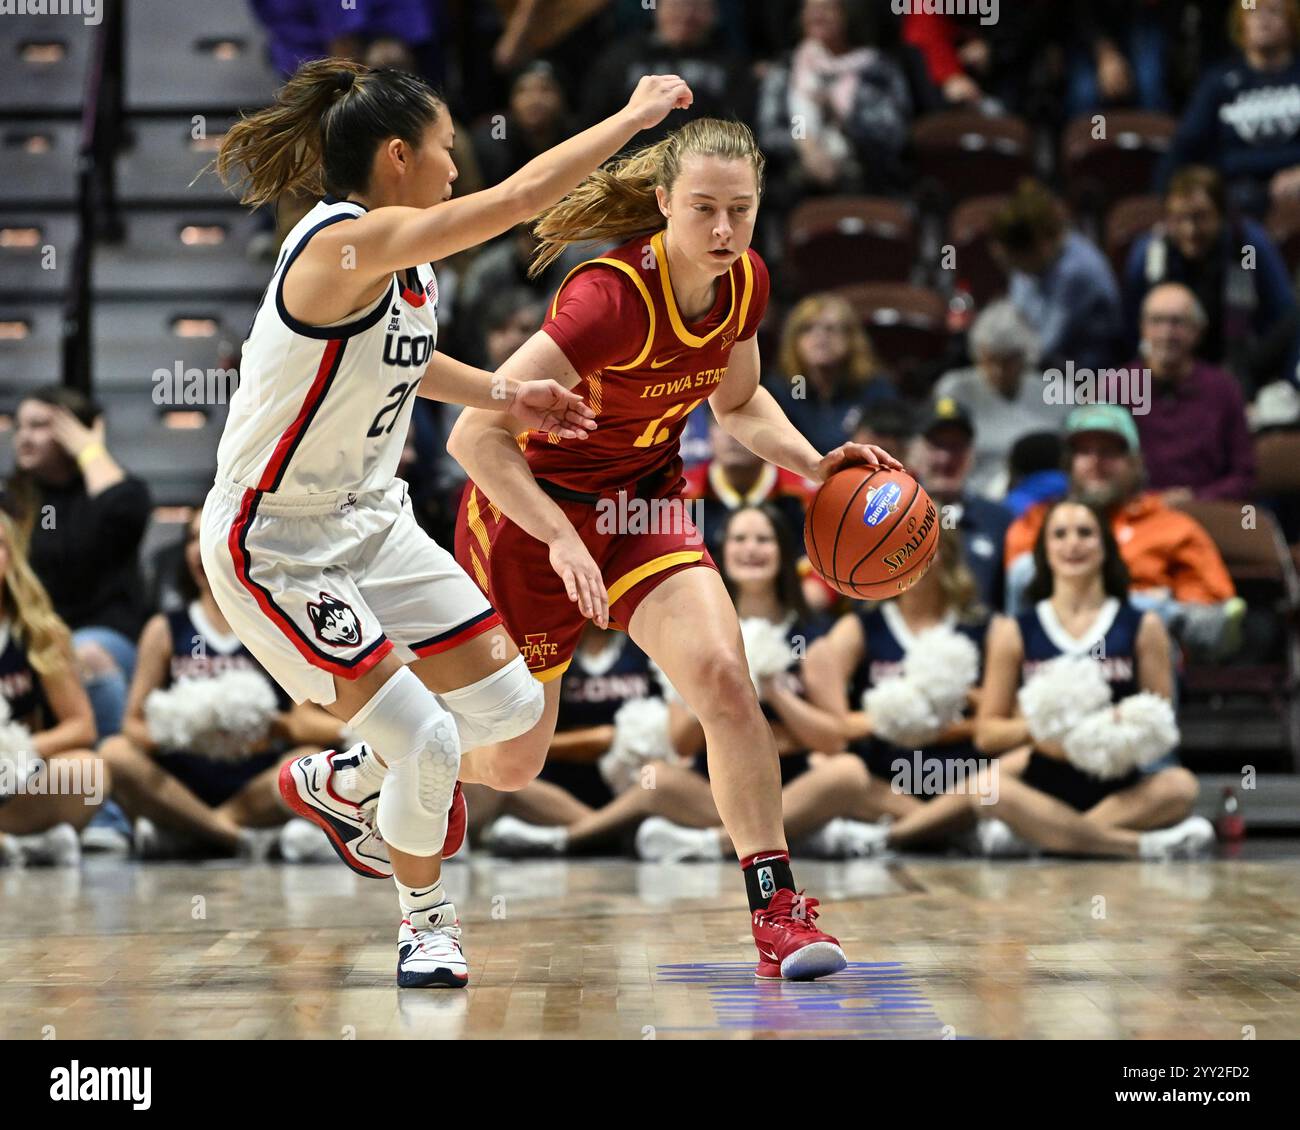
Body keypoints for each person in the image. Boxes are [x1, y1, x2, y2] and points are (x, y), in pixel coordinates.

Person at [201, 56, 694, 989]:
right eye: (443, 150)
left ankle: (345, 783)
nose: (456, 166)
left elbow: (406, 362)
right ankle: (426, 923)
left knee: (508, 721)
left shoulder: (403, 266)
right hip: (277, 544)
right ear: (397, 158)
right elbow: (513, 199)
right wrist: (631, 118)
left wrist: (511, 390)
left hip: (371, 521)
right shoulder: (337, 247)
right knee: (427, 738)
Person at [449, 117, 906, 980]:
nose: (725, 231)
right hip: (530, 518)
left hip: (642, 507)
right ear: (663, 204)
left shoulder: (745, 286)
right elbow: (473, 437)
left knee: (727, 682)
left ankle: (777, 912)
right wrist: (556, 538)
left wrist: (815, 463)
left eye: (741, 210)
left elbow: (738, 405)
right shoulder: (605, 301)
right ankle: (385, 761)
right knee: (513, 760)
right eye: (704, 209)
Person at [478, 504, 841, 861]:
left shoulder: (809, 636)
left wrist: (774, 692)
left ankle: (690, 842)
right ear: (721, 548)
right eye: (739, 538)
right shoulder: (699, 624)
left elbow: (833, 738)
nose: (750, 549)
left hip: (797, 787)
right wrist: (730, 691)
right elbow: (681, 741)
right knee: (657, 777)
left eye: (764, 539)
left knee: (846, 775)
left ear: (783, 551)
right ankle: (782, 835)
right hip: (713, 792)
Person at [877, 500, 1214, 860]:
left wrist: (1107, 727)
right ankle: (1132, 846)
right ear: (1044, 551)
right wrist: (1050, 729)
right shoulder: (1014, 631)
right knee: (988, 788)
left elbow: (1161, 726)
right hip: (1043, 781)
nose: (1073, 544)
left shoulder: (1143, 625)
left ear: (1106, 546)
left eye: (1085, 533)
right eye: (1060, 534)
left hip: (1118, 783)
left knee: (1180, 786)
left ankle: (1049, 837)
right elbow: (988, 734)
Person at [100, 509, 347, 861]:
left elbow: (303, 721)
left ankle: (194, 831)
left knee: (308, 761)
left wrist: (269, 727)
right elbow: (132, 725)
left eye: (211, 536)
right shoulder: (165, 627)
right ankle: (237, 838)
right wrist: (186, 730)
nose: (200, 549)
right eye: (191, 539)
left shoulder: (275, 624)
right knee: (114, 753)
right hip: (182, 780)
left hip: (256, 779)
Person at [1004, 405, 1243, 658]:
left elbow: (1210, 608)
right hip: (1054, 645)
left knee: (1154, 622)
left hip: (1137, 651)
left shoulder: (1171, 526)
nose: (1095, 462)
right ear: (1069, 463)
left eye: (1109, 452)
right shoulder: (1038, 521)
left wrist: (1150, 609)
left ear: (1135, 462)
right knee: (1024, 569)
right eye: (1084, 451)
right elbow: (1021, 588)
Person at [7, 386, 152, 738]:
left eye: (39, 426)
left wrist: (90, 451)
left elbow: (125, 514)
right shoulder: (15, 500)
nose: (24, 437)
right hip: (33, 635)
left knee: (82, 654)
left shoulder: (109, 491)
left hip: (103, 635)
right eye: (20, 426)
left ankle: (110, 773)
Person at [1122, 166, 1298, 394]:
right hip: (1170, 360)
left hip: (1240, 359)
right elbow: (1131, 331)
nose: (1190, 230)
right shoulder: (1149, 254)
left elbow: (1284, 318)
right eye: (1179, 219)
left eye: (1200, 217)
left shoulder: (1247, 247)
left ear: (1220, 214)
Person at [0, 511, 103, 867]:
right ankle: (29, 844)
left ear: (11, 558)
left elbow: (82, 726)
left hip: (15, 777)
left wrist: (13, 750)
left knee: (89, 772)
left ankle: (14, 840)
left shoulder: (41, 633)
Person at [1158, 0, 1300, 218]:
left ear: (1292, 22)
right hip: (1236, 189)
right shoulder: (1218, 81)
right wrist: (1163, 200)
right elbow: (1186, 144)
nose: (1263, 19)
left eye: (1274, 11)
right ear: (1240, 23)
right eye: (1253, 12)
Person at [756, 0, 912, 198]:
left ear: (849, 15)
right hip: (799, 183)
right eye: (810, 9)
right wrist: (806, 145)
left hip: (870, 178)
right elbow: (771, 132)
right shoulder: (787, 69)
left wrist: (838, 112)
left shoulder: (876, 68)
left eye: (827, 9)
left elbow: (893, 133)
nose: (817, 15)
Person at [1124, 283, 1256, 503]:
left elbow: (1244, 474)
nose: (1167, 333)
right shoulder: (1116, 388)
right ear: (1142, 328)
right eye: (1157, 321)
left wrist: (1197, 498)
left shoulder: (1223, 389)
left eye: (1177, 322)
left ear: (1198, 331)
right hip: (1136, 515)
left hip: (1208, 514)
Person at [931, 300, 1067, 500]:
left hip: (1040, 499)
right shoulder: (955, 389)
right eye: (990, 359)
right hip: (972, 498)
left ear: (1025, 356)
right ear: (977, 355)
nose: (998, 370)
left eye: (1008, 360)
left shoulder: (1057, 392)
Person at [990, 180, 1123, 374]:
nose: (1014, 270)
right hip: (1047, 363)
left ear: (1039, 247)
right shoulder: (1030, 260)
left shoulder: (1077, 273)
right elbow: (1017, 314)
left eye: (1015, 263)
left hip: (1087, 375)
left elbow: (1043, 347)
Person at [908, 399, 1012, 614]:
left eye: (956, 446)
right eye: (937, 445)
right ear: (915, 450)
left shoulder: (998, 520)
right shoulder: (894, 515)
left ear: (971, 454)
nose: (945, 458)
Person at [766, 292, 897, 457]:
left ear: (851, 338)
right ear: (794, 340)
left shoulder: (874, 389)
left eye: (831, 329)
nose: (820, 336)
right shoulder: (782, 391)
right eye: (807, 328)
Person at [682, 415, 814, 558]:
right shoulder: (681, 496)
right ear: (709, 434)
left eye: (745, 425)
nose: (732, 435)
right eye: (720, 424)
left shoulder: (804, 497)